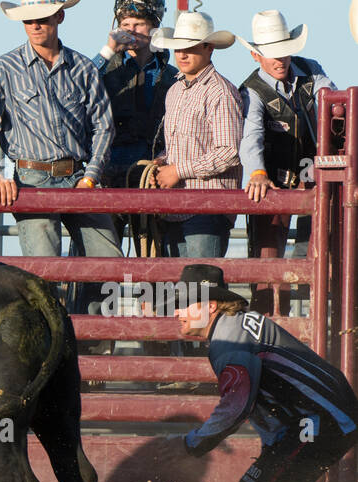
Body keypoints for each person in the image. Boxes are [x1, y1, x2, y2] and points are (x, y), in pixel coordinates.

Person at [173, 264, 358, 482]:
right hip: (313, 418)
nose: (177, 313)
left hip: (323, 418)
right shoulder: (235, 328)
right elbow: (263, 397)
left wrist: (192, 444)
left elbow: (237, 406)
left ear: (210, 305)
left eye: (184, 304)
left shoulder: (228, 342)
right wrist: (274, 445)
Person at [0, 0, 123, 279]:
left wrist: (90, 176)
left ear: (59, 17)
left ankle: (92, 321)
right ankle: (58, 322)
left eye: (42, 18)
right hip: (31, 177)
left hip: (78, 174)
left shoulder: (83, 68)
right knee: (45, 270)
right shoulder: (4, 67)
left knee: (110, 262)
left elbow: (104, 126)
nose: (35, 25)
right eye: (28, 20)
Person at [239, 10, 334, 314]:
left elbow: (332, 100)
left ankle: (314, 311)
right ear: (257, 56)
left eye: (284, 52)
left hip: (310, 170)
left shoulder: (310, 70)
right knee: (268, 256)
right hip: (272, 178)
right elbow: (250, 134)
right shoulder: (252, 91)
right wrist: (256, 171)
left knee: (322, 238)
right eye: (272, 55)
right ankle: (271, 316)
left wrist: (337, 115)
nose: (280, 60)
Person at [150, 11, 243, 259]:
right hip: (176, 206)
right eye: (179, 47)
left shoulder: (220, 92)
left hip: (208, 207)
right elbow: (179, 145)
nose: (182, 54)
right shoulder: (175, 90)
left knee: (200, 287)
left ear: (209, 48)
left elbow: (229, 153)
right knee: (179, 291)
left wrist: (177, 171)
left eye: (191, 47)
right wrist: (161, 162)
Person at [93, 1, 178, 192]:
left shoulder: (172, 77)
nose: (131, 30)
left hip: (153, 174)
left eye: (138, 24)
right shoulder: (103, 68)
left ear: (154, 27)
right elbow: (79, 85)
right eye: (125, 25)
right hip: (107, 172)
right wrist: (108, 51)